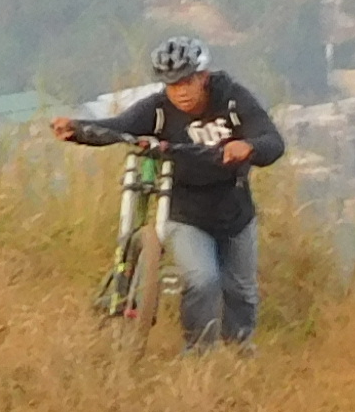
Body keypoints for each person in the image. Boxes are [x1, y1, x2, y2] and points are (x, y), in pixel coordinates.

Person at [55, 35, 288, 349]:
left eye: (187, 81)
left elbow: (272, 141)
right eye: (172, 84)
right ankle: (198, 355)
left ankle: (239, 352)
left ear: (203, 76)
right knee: (202, 281)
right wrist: (76, 129)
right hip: (185, 212)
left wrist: (249, 146)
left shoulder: (233, 100)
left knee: (241, 291)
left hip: (235, 211)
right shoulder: (159, 110)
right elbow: (118, 127)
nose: (181, 91)